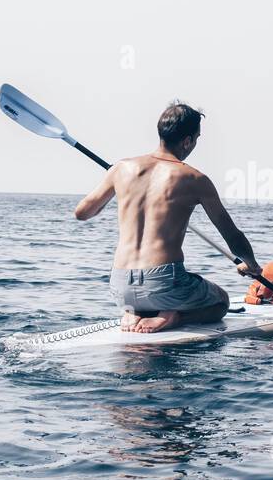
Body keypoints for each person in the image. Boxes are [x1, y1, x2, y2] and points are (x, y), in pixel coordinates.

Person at [74, 102, 262, 333]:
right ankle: (173, 318)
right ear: (187, 141)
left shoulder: (121, 168)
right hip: (163, 283)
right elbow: (231, 235)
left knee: (147, 297)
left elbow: (82, 213)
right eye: (196, 139)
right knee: (221, 301)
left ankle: (134, 313)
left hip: (120, 285)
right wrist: (251, 265)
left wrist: (117, 187)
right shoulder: (194, 179)